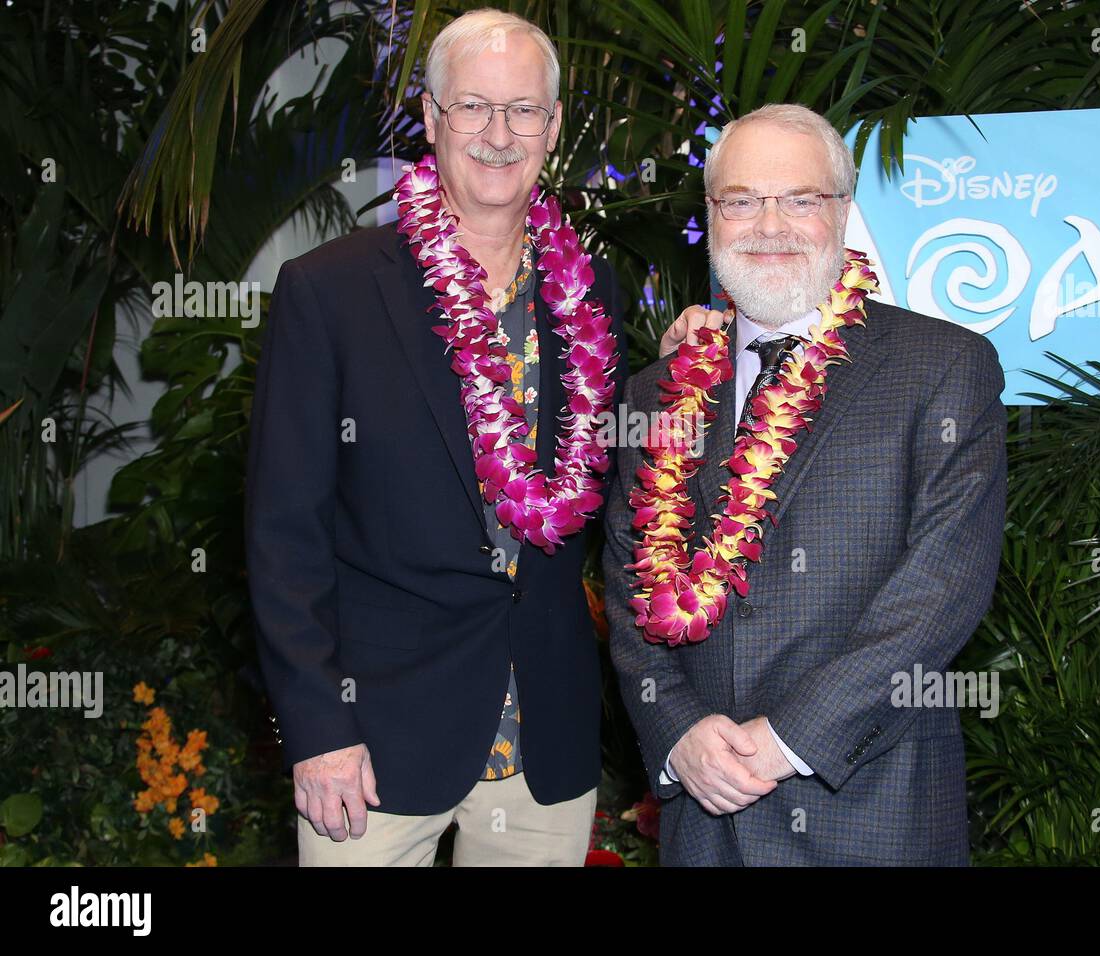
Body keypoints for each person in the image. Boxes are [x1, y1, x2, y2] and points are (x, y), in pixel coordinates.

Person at [246, 8, 650, 866]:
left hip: (545, 731)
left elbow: (623, 470)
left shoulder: (593, 291)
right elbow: (285, 534)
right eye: (472, 107)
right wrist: (317, 728)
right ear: (430, 120)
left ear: (554, 126)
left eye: (524, 110)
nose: (499, 134)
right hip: (373, 742)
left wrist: (702, 355)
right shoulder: (331, 293)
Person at [602, 103, 1008, 865]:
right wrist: (678, 732)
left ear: (844, 210)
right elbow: (629, 589)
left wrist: (791, 739)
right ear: (714, 214)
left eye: (800, 198)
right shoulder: (653, 395)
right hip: (703, 819)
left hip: (871, 810)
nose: (770, 224)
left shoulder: (945, 367)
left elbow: (942, 588)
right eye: (743, 199)